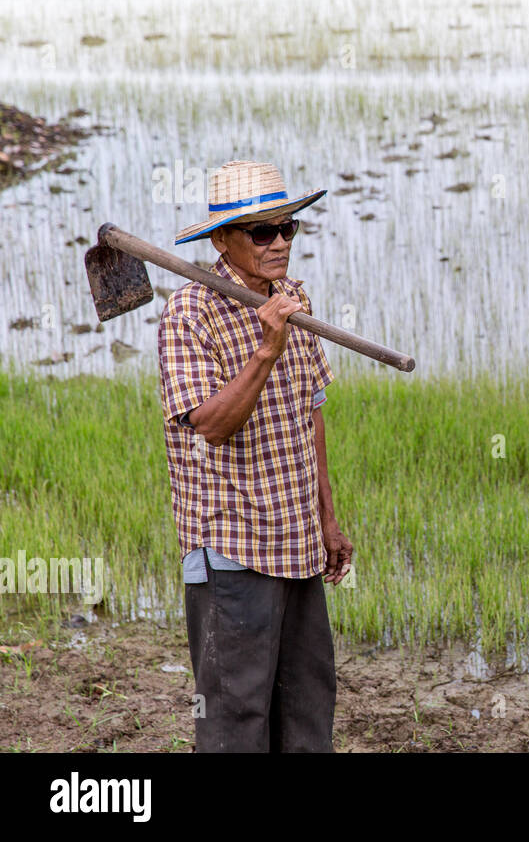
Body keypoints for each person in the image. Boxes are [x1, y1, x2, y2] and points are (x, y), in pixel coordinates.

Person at [157, 160, 353, 752]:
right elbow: (211, 425)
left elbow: (309, 412)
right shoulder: (189, 313)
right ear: (222, 240)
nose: (279, 243)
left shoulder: (294, 300)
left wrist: (327, 517)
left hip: (296, 538)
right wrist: (267, 348)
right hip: (234, 547)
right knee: (234, 715)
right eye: (262, 232)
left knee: (307, 705)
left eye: (287, 228)